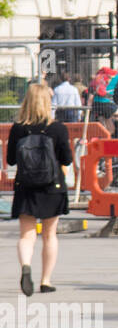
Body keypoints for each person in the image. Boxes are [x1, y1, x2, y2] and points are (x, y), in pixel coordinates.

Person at [9, 83, 73, 295]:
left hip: (25, 186)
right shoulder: (57, 128)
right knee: (49, 235)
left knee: (26, 235)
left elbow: (10, 160)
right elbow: (67, 159)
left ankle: (26, 266)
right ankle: (46, 280)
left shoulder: (18, 128)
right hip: (52, 187)